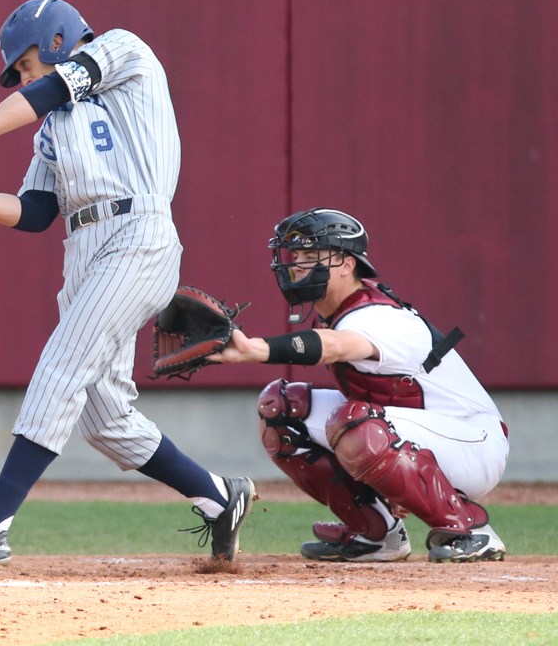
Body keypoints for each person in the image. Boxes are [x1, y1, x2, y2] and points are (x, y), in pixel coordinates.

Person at [0, 0, 256, 572]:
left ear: (57, 40)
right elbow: (35, 211)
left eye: (26, 64)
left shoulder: (123, 50)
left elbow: (54, 88)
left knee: (60, 367)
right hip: (84, 250)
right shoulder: (54, 128)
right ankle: (219, 496)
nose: (23, 78)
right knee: (106, 421)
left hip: (138, 233)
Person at [208, 208, 509, 563]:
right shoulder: (344, 312)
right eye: (296, 256)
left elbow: (335, 346)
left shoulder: (376, 315)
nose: (298, 266)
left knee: (355, 422)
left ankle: (471, 529)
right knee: (281, 408)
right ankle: (376, 533)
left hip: (473, 444)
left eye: (311, 256)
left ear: (347, 264)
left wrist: (254, 349)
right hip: (419, 431)